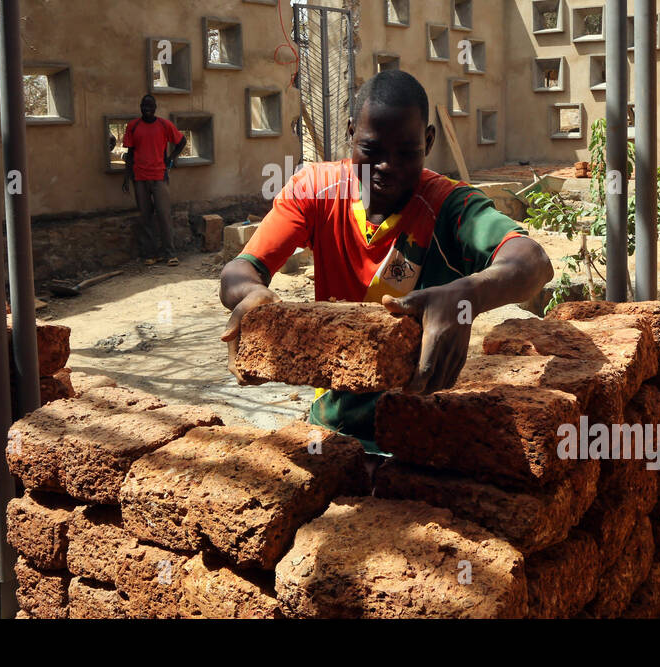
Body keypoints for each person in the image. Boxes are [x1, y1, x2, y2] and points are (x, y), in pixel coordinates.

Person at [218, 69, 554, 452]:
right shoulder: (315, 191)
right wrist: (251, 293)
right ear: (350, 133)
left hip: (423, 425)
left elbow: (534, 262)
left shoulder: (450, 207)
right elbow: (239, 270)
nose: (386, 167)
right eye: (371, 150)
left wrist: (467, 295)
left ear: (428, 141)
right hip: (334, 417)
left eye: (406, 152)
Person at [122, 94, 187, 267]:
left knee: (164, 215)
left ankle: (170, 254)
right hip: (140, 178)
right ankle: (149, 254)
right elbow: (129, 154)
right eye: (144, 105)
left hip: (159, 177)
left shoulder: (164, 125)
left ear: (155, 107)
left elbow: (182, 141)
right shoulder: (133, 126)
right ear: (140, 106)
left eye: (150, 105)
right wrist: (126, 177)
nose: (147, 108)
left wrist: (171, 158)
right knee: (145, 217)